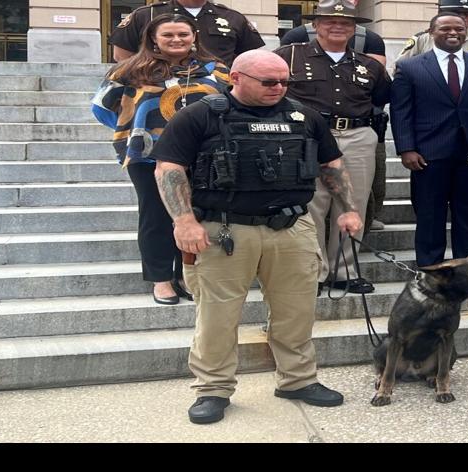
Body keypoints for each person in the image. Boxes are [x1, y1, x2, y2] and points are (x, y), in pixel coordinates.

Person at [152, 49, 359, 424]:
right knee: (217, 316)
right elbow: (169, 168)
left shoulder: (303, 116)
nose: (278, 87)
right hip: (224, 229)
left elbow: (331, 164)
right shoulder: (200, 115)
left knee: (297, 313)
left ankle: (297, 379)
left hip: (292, 228)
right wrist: (183, 221)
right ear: (236, 78)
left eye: (284, 81)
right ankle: (213, 389)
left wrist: (348, 207)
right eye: (269, 81)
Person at [92, 13, 231, 305]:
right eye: (168, 35)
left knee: (194, 215)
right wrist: (136, 128)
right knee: (155, 216)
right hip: (149, 156)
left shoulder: (215, 70)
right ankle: (161, 279)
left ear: (194, 36)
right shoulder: (130, 70)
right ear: (153, 38)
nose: (176, 40)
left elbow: (230, 103)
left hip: (202, 155)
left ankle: (186, 274)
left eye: (183, 34)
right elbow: (102, 108)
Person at [274, 0, 389, 293]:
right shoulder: (289, 56)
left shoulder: (369, 65)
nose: (337, 26)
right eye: (329, 21)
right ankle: (313, 272)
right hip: (309, 135)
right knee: (312, 203)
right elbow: (271, 90)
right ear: (316, 25)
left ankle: (344, 272)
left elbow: (380, 98)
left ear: (354, 29)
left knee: (353, 203)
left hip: (357, 136)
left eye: (345, 23)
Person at [389, 13, 468, 267]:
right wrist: (406, 149)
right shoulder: (410, 67)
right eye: (445, 28)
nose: (453, 33)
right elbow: (401, 112)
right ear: (432, 33)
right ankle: (430, 270)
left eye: (459, 28)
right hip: (428, 155)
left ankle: (466, 268)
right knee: (430, 216)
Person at [110, 0, 263, 66]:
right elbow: (122, 55)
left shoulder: (232, 17)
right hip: (159, 91)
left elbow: (250, 59)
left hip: (218, 95)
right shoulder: (146, 15)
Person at [393, 0, 468, 76]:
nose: (464, 17)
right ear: (441, 13)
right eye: (456, 13)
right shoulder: (423, 39)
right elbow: (400, 70)